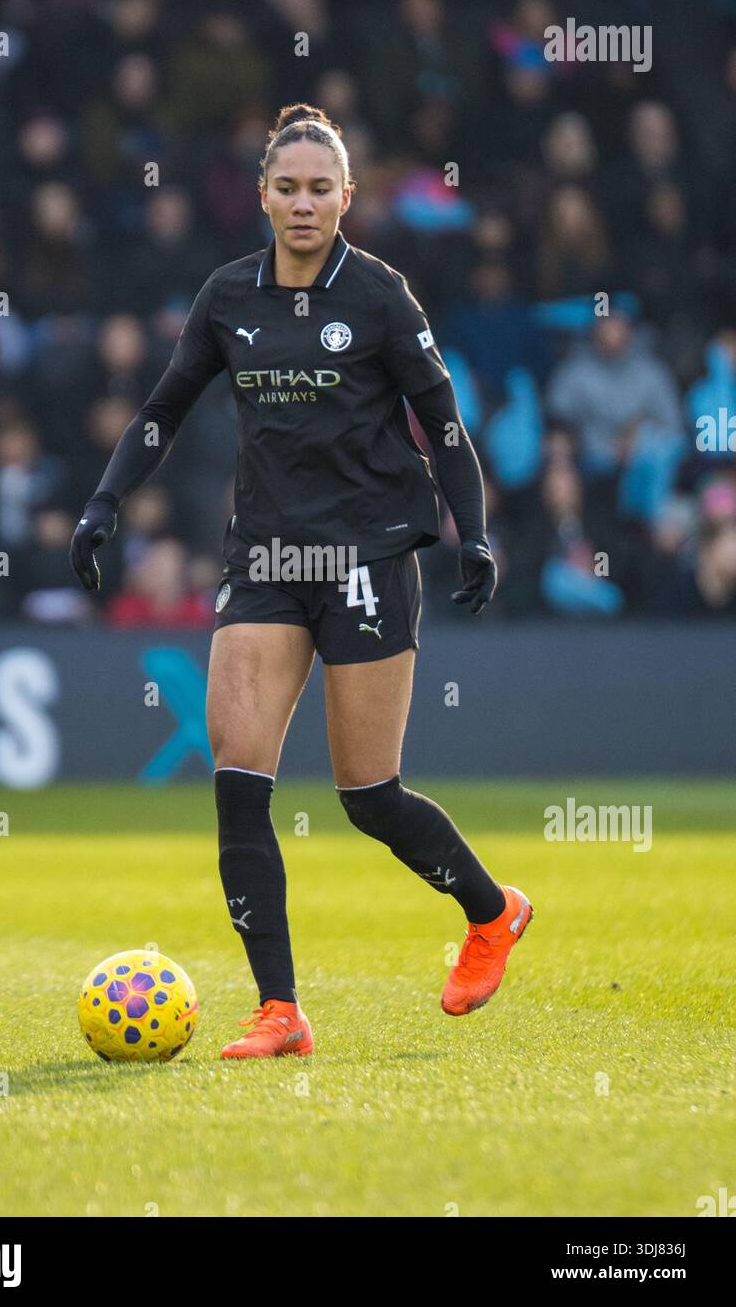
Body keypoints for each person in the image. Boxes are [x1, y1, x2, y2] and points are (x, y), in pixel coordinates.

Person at [70, 104, 534, 1058]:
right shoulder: (227, 296)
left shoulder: (380, 297)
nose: (304, 202)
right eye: (288, 186)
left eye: (322, 187)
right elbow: (161, 412)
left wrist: (474, 535)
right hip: (268, 562)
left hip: (368, 558)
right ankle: (280, 1010)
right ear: (264, 196)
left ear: (346, 197)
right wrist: (104, 505)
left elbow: (443, 426)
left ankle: (492, 913)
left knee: (369, 797)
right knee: (239, 785)